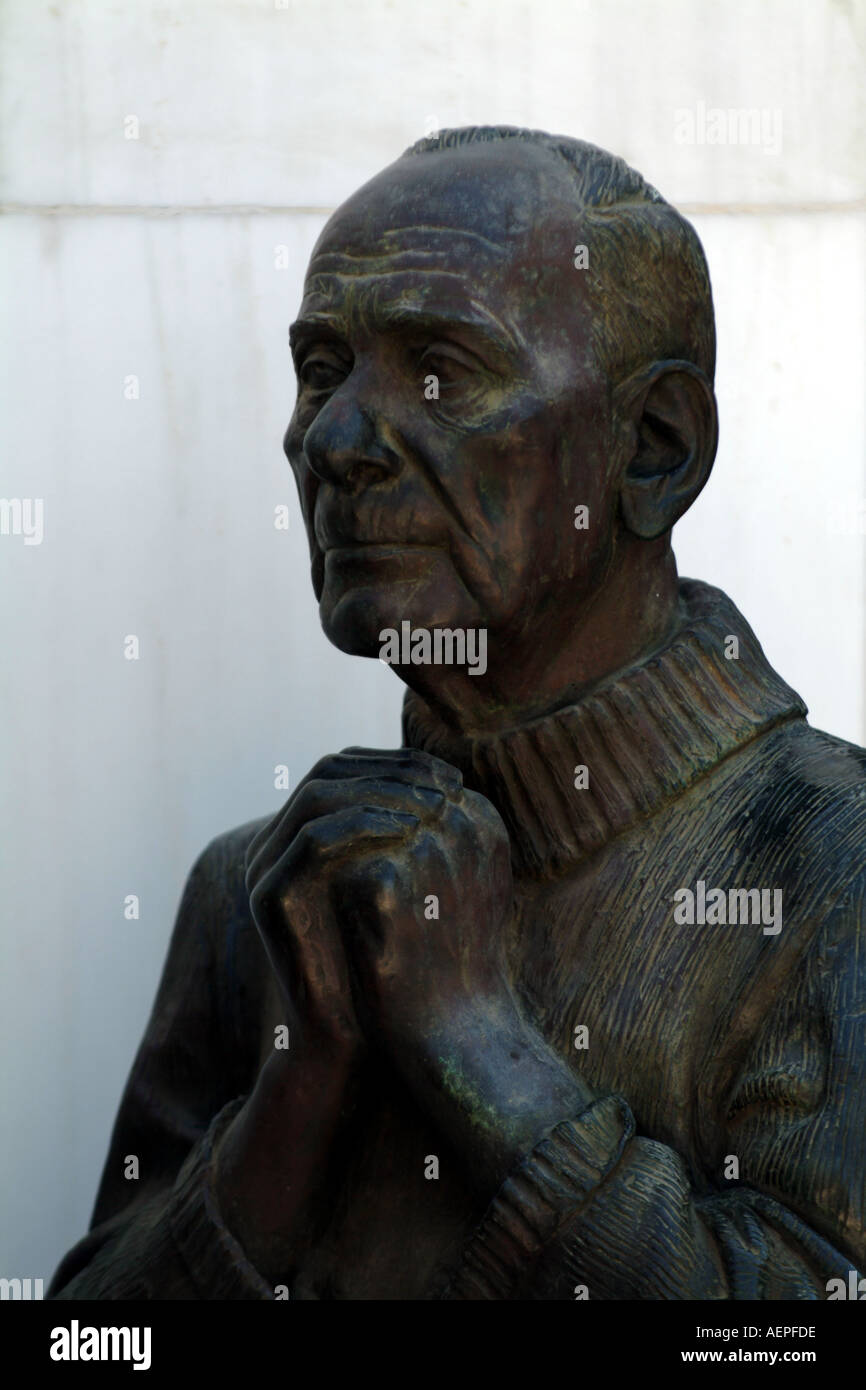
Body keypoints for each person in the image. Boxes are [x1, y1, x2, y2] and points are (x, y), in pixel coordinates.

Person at [50, 127, 866, 1300]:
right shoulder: (259, 899)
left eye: (440, 370)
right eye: (322, 367)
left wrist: (474, 1043)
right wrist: (292, 1102)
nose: (332, 440)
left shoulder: (830, 869)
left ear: (652, 449)